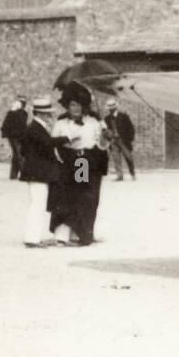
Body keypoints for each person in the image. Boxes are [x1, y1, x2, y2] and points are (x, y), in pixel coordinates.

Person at [50, 83, 108, 246]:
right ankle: (77, 234)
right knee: (74, 197)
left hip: (86, 161)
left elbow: (101, 146)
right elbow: (54, 144)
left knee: (88, 197)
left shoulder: (93, 122)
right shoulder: (61, 123)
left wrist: (105, 136)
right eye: (72, 104)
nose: (75, 108)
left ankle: (85, 233)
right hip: (69, 161)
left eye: (78, 105)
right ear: (67, 105)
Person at [20, 96, 66, 247]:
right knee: (37, 204)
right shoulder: (35, 128)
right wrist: (65, 138)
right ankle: (32, 238)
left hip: (37, 171)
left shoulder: (36, 127)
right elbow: (46, 144)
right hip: (37, 172)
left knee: (37, 203)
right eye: (46, 114)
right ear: (38, 113)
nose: (49, 116)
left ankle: (33, 237)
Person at [103, 99, 137, 180]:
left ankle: (132, 174)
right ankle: (119, 176)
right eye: (109, 107)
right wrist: (107, 135)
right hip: (114, 141)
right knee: (116, 158)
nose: (111, 109)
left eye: (112, 107)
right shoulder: (107, 119)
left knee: (129, 157)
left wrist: (129, 139)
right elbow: (105, 131)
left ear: (116, 107)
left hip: (124, 141)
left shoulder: (124, 116)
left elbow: (131, 128)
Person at [0, 95, 29, 179]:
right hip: (13, 136)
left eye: (21, 103)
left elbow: (21, 125)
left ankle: (13, 175)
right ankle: (24, 174)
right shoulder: (13, 113)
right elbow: (7, 124)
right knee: (18, 154)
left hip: (19, 136)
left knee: (17, 154)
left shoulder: (23, 113)